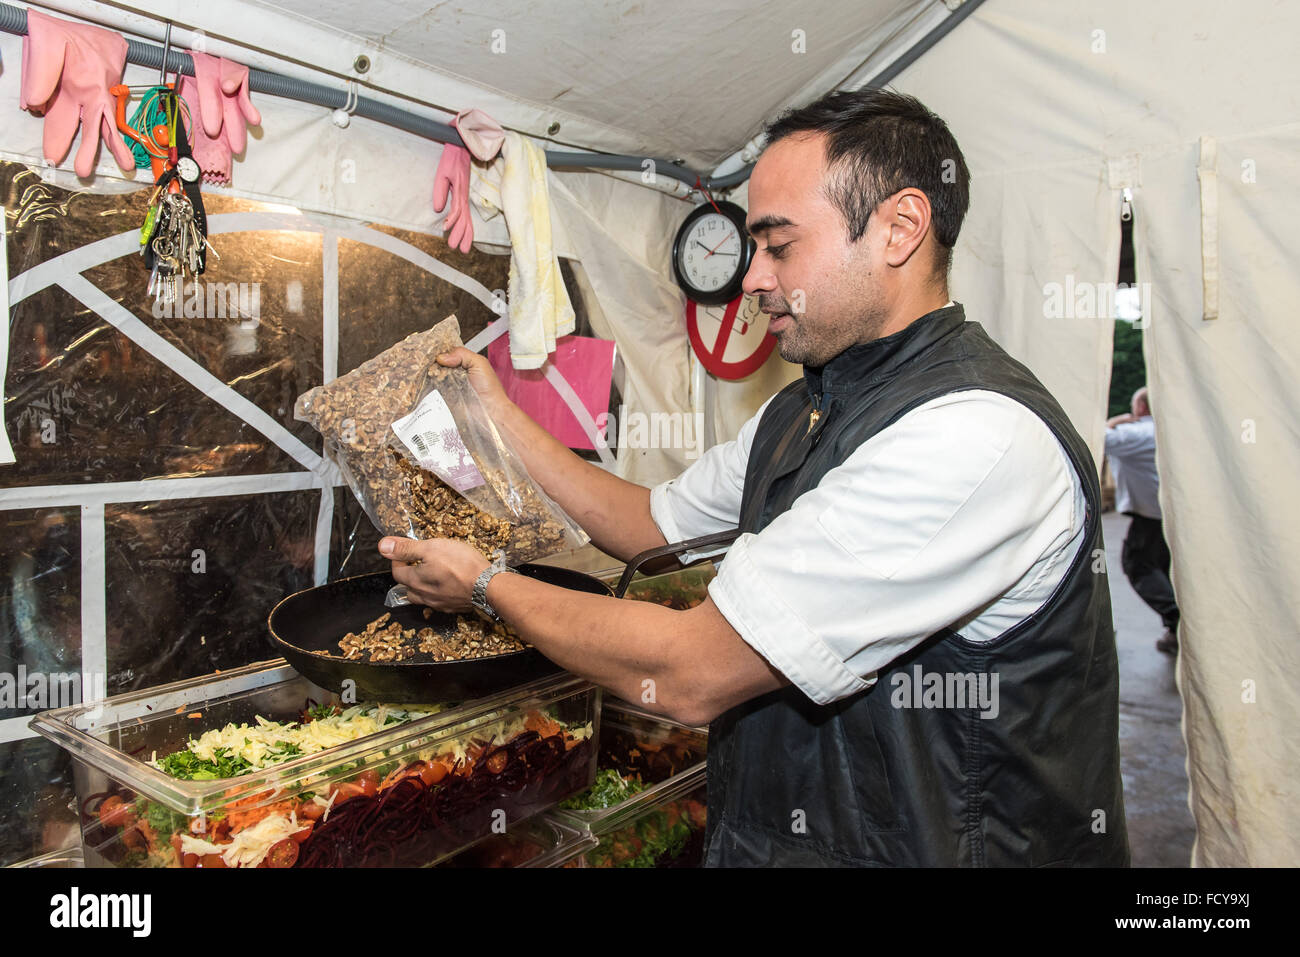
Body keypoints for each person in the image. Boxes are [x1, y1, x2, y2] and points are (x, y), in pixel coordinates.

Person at [381, 89, 1129, 867]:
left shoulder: (975, 434)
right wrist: (498, 416)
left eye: (779, 245)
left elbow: (688, 670)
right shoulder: (799, 411)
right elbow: (649, 523)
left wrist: (484, 584)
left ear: (900, 229)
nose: (751, 280)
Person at [1105, 387, 1180, 653]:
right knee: (1166, 571)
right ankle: (1177, 630)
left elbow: (1097, 439)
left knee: (1138, 565)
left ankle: (1178, 622)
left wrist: (1114, 421)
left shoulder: (1138, 432)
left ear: (1141, 409)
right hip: (1170, 515)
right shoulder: (1170, 430)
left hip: (1150, 516)